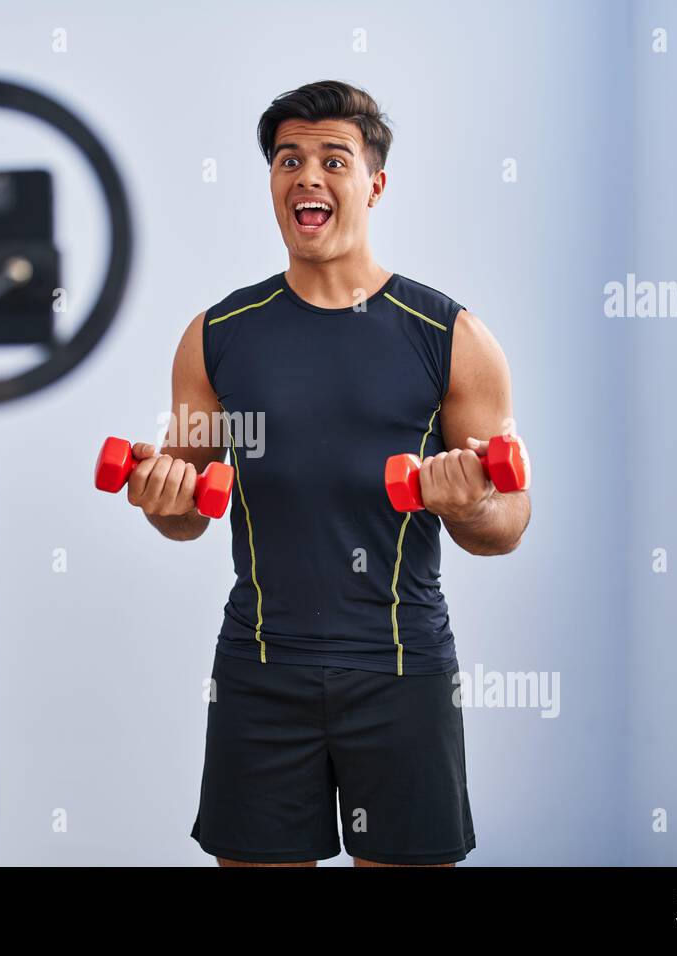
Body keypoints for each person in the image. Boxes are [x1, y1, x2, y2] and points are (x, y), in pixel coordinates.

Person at [125, 80, 530, 867]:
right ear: (273, 184)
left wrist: (470, 503)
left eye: (332, 159)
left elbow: (508, 527)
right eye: (288, 160)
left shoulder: (448, 335)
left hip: (403, 669)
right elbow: (187, 506)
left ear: (373, 185)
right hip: (259, 666)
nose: (307, 175)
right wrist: (161, 498)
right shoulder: (218, 337)